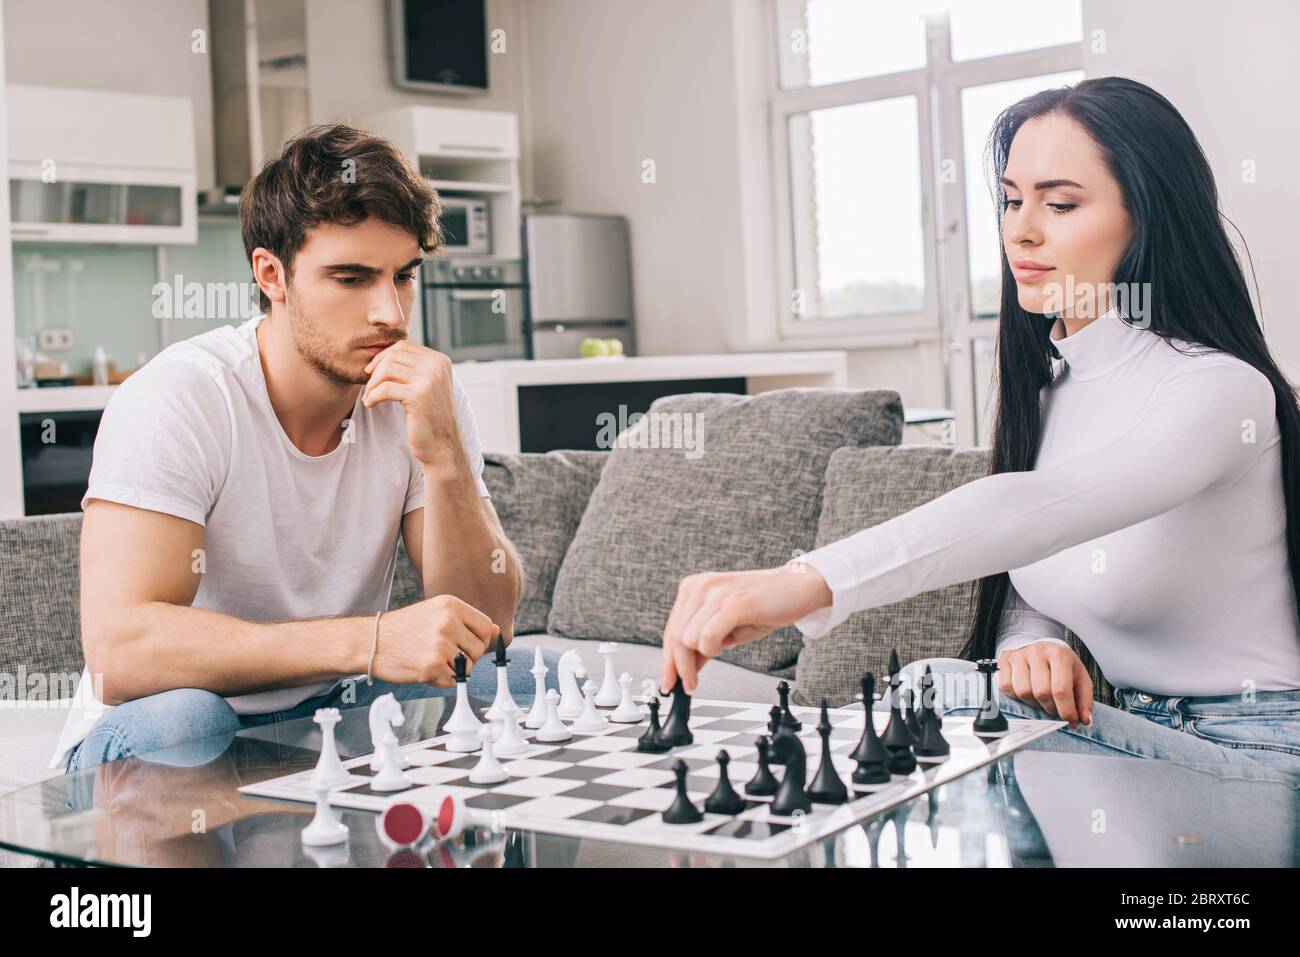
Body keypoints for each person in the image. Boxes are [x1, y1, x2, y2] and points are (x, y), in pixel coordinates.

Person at [658, 77, 1300, 778]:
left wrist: (808, 580)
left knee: (944, 696)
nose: (1022, 229)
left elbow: (1040, 512)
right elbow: (1039, 567)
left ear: (1147, 217)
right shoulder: (1055, 391)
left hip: (1253, 752)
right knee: (943, 690)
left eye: (1059, 203)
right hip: (1134, 733)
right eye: (1012, 199)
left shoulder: (1222, 391)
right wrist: (1032, 641)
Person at [54, 124, 557, 774]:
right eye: (352, 278)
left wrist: (447, 461)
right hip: (152, 729)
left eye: (404, 276)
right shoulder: (181, 397)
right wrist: (369, 640)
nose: (390, 313)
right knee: (189, 719)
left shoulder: (420, 389)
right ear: (273, 274)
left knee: (521, 680)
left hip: (330, 711)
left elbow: (485, 629)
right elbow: (123, 656)